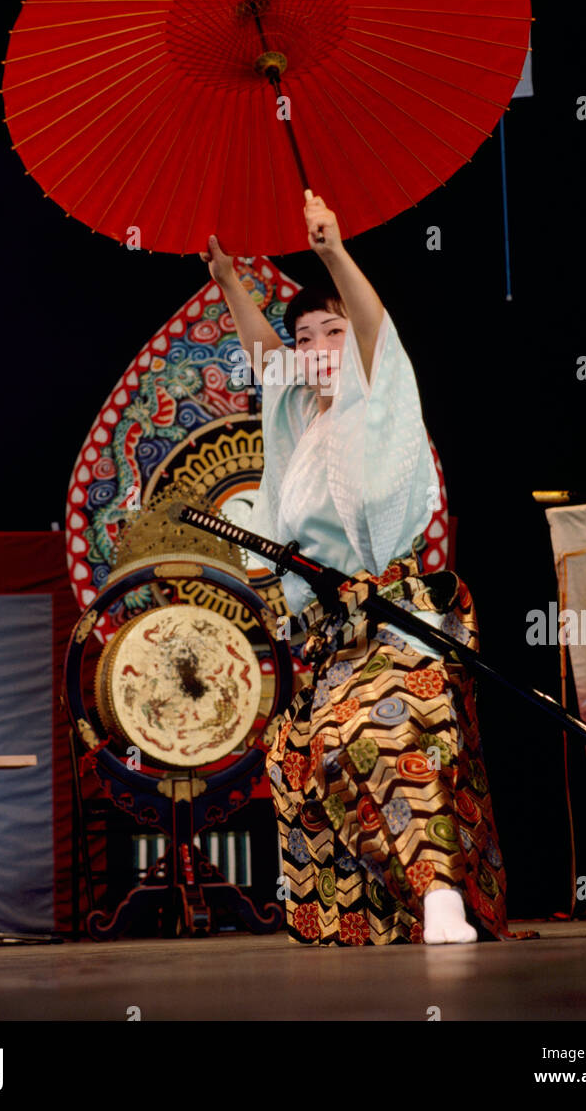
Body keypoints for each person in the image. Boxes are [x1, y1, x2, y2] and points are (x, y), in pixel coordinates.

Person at [199, 192, 511, 947]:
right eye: (304, 333)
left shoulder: (381, 396)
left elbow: (376, 330)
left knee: (390, 723)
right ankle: (391, 907)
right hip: (335, 639)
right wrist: (226, 277)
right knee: (304, 756)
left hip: (406, 619)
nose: (316, 343)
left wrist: (333, 248)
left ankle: (440, 896)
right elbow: (260, 353)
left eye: (330, 330)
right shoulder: (296, 415)